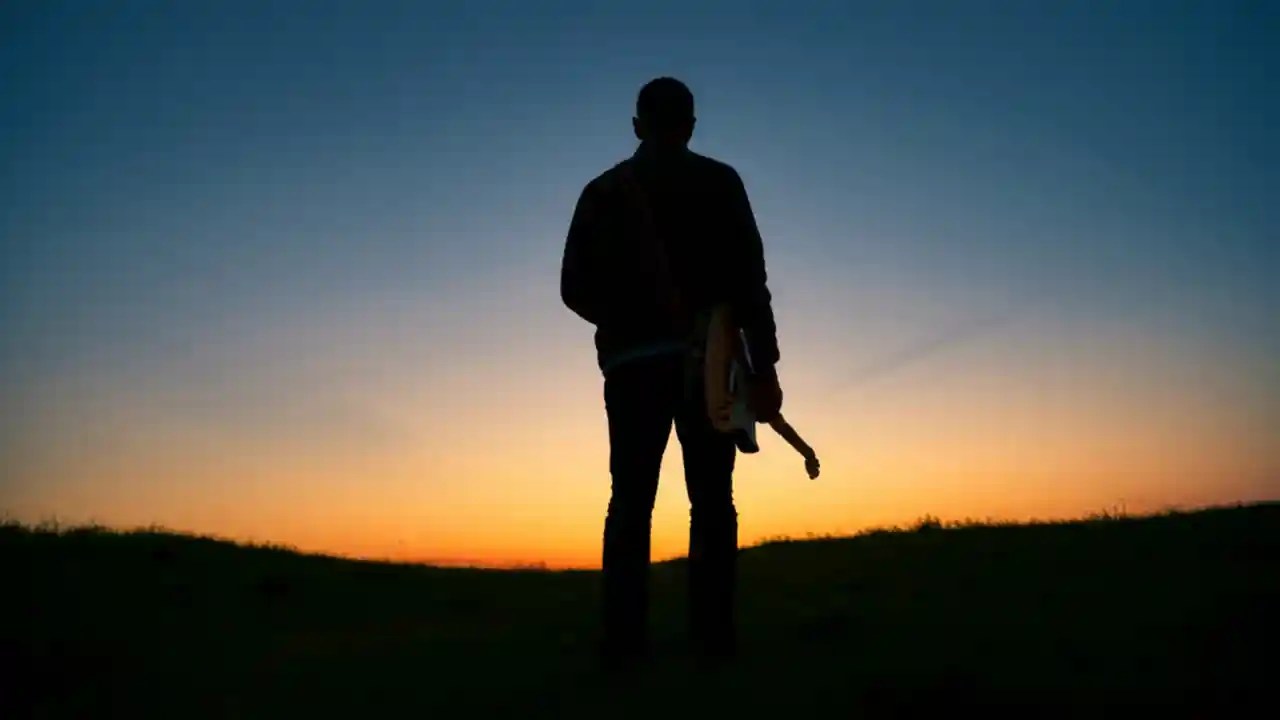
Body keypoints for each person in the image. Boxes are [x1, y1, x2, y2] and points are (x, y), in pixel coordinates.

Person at [559, 77, 783, 667]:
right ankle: (713, 644)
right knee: (712, 502)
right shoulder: (720, 182)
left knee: (630, 504)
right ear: (691, 125)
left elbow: (573, 288)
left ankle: (623, 650)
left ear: (637, 125)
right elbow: (751, 283)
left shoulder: (603, 192)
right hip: (710, 367)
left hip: (632, 370)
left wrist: (629, 320)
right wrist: (764, 369)